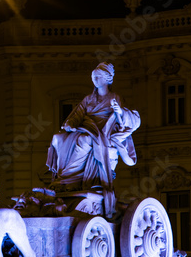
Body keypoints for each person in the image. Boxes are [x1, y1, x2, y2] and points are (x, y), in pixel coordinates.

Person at [47, 62, 140, 214]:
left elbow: (132, 119)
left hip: (102, 134)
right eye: (93, 77)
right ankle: (61, 179)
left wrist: (120, 112)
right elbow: (77, 115)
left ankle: (68, 179)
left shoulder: (115, 97)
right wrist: (70, 123)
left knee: (84, 140)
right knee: (57, 138)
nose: (95, 79)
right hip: (86, 129)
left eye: (98, 77)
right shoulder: (88, 99)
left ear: (107, 79)